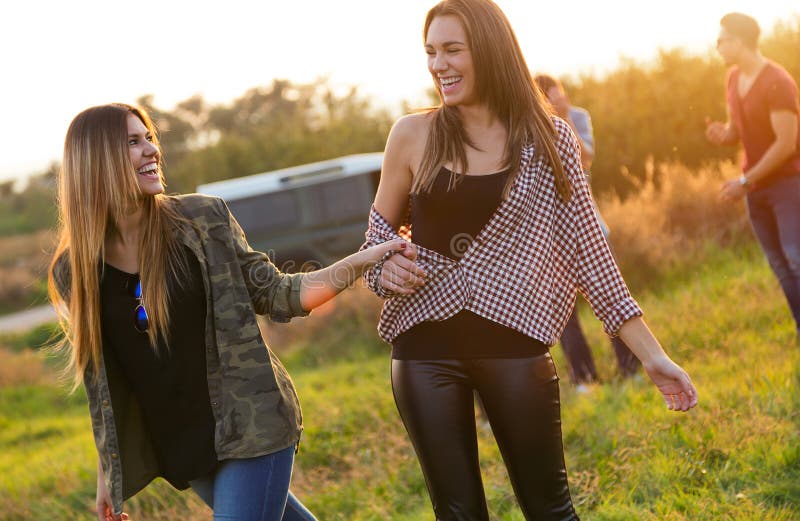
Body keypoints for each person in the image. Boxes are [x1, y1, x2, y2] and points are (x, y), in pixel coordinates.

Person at [360, 1, 698, 519]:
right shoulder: (411, 134)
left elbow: (589, 249)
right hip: (423, 349)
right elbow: (377, 237)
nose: (438, 65)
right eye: (430, 52)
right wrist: (383, 270)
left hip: (515, 345)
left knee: (550, 510)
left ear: (491, 51)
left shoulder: (549, 137)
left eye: (453, 49)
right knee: (458, 514)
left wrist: (651, 355)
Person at [46, 103, 424, 521]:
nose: (151, 150)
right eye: (133, 142)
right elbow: (108, 381)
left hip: (252, 425)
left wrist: (362, 259)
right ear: (95, 162)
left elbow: (279, 293)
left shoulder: (202, 220)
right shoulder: (75, 271)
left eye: (149, 138)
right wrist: (109, 471)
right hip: (186, 447)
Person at [534, 73, 640, 386]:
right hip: (550, 236)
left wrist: (563, 119)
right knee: (566, 314)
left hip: (589, 225)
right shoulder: (528, 129)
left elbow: (585, 160)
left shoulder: (577, 117)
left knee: (612, 295)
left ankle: (631, 368)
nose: (562, 98)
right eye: (554, 96)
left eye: (562, 92)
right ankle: (585, 378)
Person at [705, 12, 800, 339]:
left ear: (739, 41)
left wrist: (743, 182)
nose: (718, 47)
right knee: (781, 269)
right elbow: (739, 127)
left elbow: (786, 143)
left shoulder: (778, 82)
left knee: (797, 260)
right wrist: (726, 134)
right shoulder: (733, 79)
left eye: (722, 41)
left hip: (787, 187)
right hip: (756, 191)